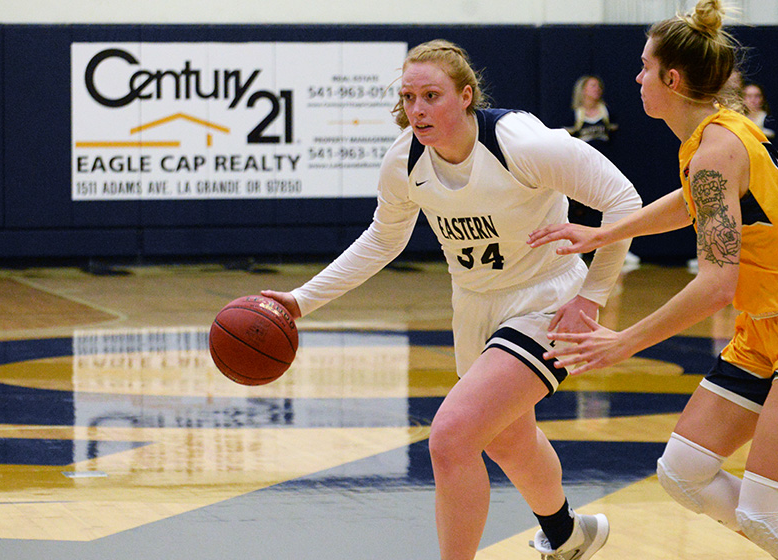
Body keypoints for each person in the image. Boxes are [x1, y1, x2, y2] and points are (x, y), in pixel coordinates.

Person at [262, 39, 642, 560]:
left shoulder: (521, 143)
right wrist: (301, 301)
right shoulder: (405, 161)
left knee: (451, 437)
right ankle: (567, 534)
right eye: (409, 97)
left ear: (465, 96)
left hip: (546, 297)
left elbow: (623, 200)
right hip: (474, 304)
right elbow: (382, 238)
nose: (418, 110)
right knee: (506, 438)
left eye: (431, 96)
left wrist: (593, 296)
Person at [527, 3, 778, 560]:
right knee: (684, 473)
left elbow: (716, 285)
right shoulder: (714, 138)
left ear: (672, 78)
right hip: (765, 328)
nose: (637, 77)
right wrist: (604, 233)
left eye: (644, 67)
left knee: (767, 513)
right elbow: (696, 200)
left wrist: (623, 341)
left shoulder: (714, 151)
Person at [565, 75, 642, 271]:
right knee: (579, 208)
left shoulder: (607, 113)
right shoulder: (574, 114)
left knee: (612, 207)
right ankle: (577, 247)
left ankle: (618, 249)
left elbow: (614, 141)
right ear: (582, 90)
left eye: (598, 86)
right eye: (592, 86)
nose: (596, 89)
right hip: (582, 170)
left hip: (606, 169)